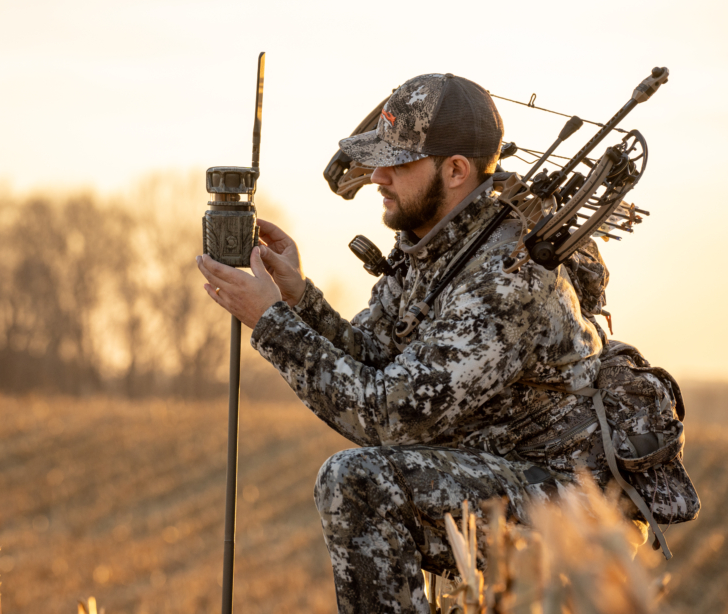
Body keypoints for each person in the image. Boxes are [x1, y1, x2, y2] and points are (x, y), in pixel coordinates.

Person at [194, 73, 678, 613]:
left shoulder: (507, 278)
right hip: (499, 473)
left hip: (567, 504)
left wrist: (270, 323)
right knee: (365, 480)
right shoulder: (433, 247)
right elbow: (378, 357)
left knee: (358, 482)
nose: (377, 176)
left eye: (397, 162)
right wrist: (298, 299)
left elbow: (388, 417)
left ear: (455, 170)